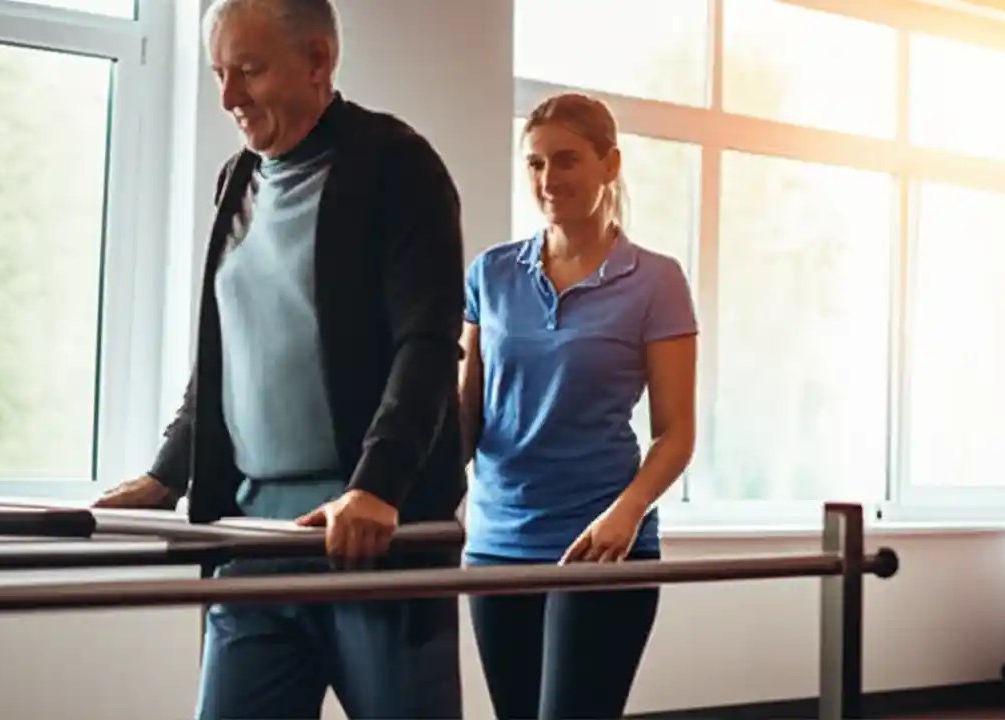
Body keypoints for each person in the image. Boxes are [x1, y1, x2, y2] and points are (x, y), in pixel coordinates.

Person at [92, 1, 466, 717]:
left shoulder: (397, 164)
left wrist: (379, 486)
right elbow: (226, 349)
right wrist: (169, 471)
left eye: (250, 71)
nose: (229, 97)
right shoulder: (237, 178)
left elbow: (426, 343)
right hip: (253, 540)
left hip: (368, 539)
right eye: (218, 74)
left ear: (319, 62)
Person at [458, 92, 699, 719]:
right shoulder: (491, 274)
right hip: (497, 544)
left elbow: (675, 433)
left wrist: (627, 513)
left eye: (566, 161)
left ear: (609, 164)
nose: (548, 180)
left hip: (601, 544)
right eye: (535, 164)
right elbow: (463, 418)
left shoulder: (656, 280)